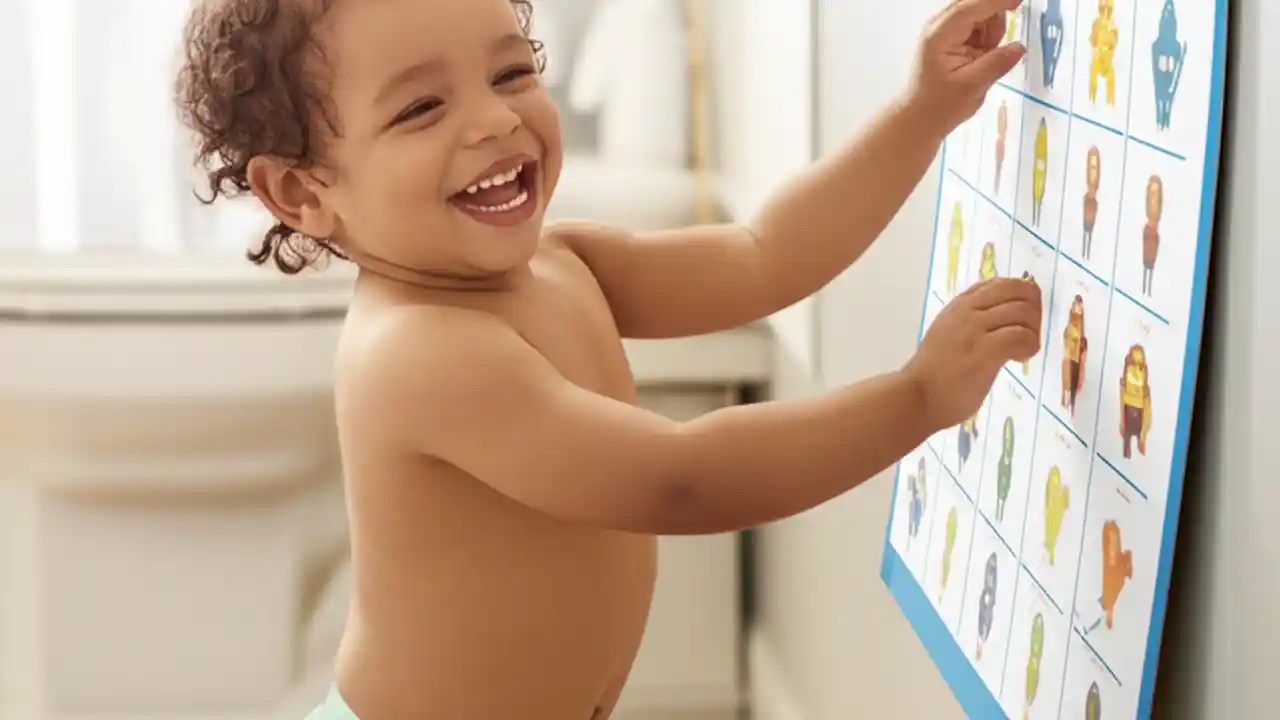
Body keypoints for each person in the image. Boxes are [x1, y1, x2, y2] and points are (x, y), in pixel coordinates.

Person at [174, 0, 1037, 717]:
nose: (496, 117)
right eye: (420, 109)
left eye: (512, 71)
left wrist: (921, 113)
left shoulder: (562, 261)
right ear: (302, 192)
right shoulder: (418, 354)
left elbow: (766, 254)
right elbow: (680, 479)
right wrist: (917, 398)